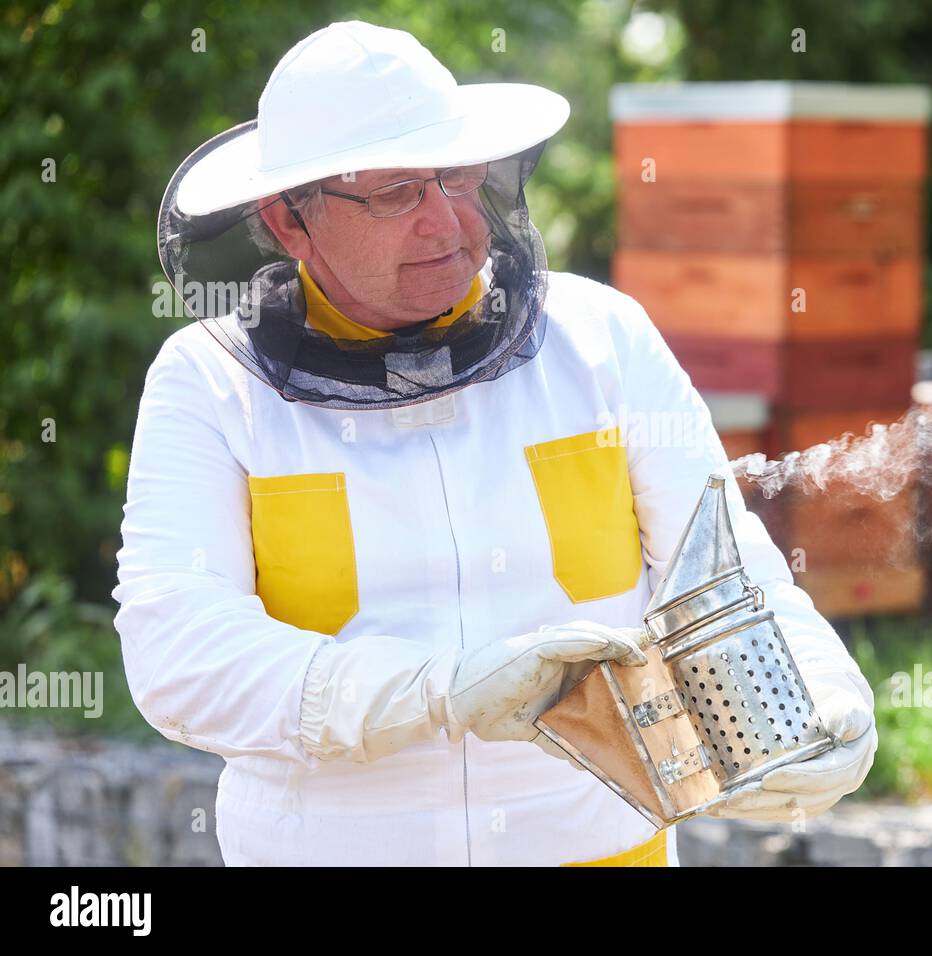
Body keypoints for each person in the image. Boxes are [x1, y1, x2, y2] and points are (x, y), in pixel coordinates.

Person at [113, 19, 878, 867]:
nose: (448, 222)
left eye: (458, 178)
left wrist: (824, 691)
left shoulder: (602, 337)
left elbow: (728, 569)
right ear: (290, 220)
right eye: (399, 192)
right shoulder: (209, 386)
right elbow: (177, 651)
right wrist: (433, 693)